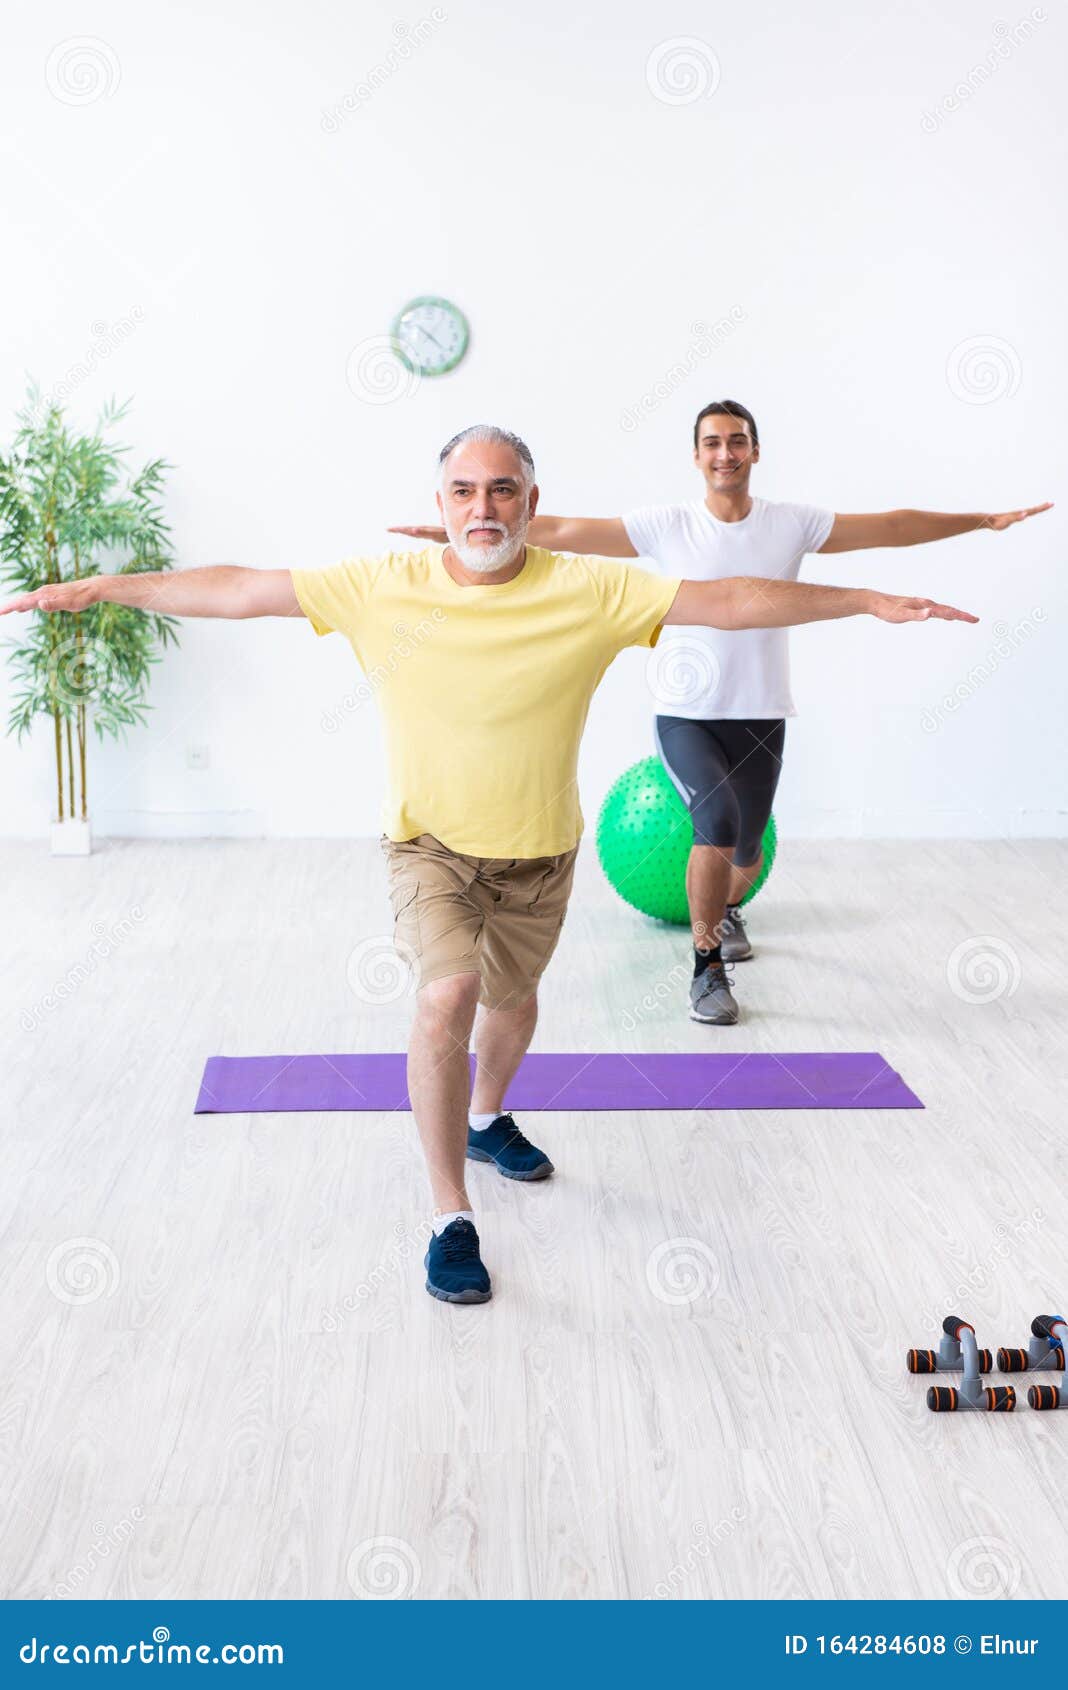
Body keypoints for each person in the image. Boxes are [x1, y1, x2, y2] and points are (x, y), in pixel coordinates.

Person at [3, 423, 979, 1306]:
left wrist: (862, 598)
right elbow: (242, 587)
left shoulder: (589, 588)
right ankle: (449, 1214)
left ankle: (485, 1112)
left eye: (503, 490)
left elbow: (726, 599)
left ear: (531, 505)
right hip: (427, 843)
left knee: (512, 1005)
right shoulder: (383, 584)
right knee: (448, 996)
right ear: (441, 508)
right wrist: (104, 588)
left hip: (541, 851)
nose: (484, 507)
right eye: (465, 491)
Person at [391, 402, 1050, 1025]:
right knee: (715, 820)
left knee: (746, 849)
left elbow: (893, 524)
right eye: (712, 442)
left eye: (737, 440)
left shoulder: (791, 521)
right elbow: (565, 531)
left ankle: (727, 910)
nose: (725, 452)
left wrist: (981, 520)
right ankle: (706, 969)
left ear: (754, 450)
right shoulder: (669, 524)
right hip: (686, 712)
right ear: (696, 455)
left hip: (762, 715)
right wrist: (472, 532)